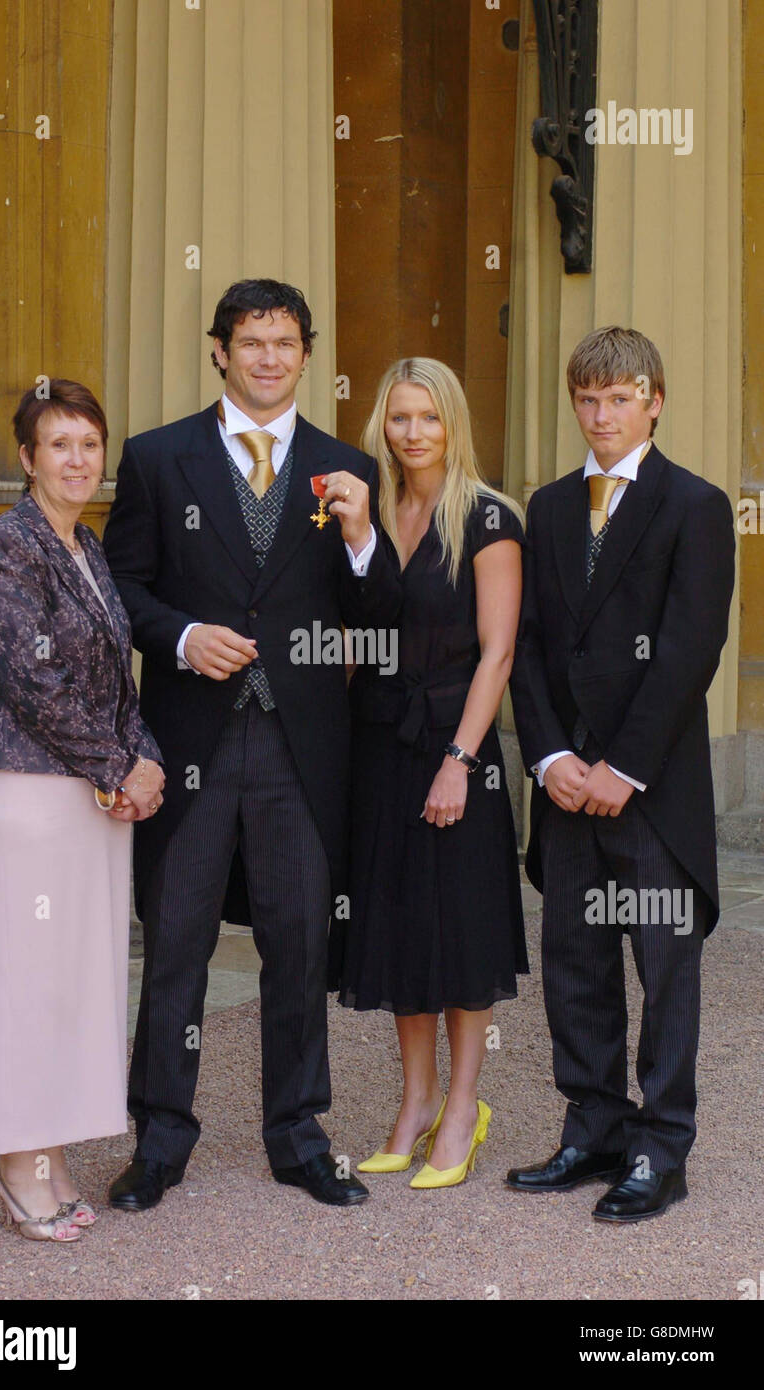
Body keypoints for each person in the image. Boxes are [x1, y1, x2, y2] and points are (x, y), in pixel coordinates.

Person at [102, 278, 401, 1211]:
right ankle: (159, 1140)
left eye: (284, 343)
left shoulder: (345, 463)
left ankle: (298, 1136)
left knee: (299, 947)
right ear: (220, 351)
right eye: (250, 341)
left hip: (300, 753)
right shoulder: (159, 459)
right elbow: (121, 593)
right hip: (189, 740)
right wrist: (185, 639)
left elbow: (376, 613)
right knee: (177, 943)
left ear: (306, 353)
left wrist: (360, 539)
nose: (267, 358)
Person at [507, 326, 736, 1222]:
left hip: (651, 792)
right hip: (565, 789)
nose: (600, 415)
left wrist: (623, 767)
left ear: (655, 399)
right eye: (587, 400)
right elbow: (527, 647)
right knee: (574, 962)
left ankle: (660, 1146)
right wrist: (553, 756)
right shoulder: (551, 506)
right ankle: (592, 1129)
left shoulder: (694, 504)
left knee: (662, 969)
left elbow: (689, 649)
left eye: (618, 398)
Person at [0, 380, 164, 1242]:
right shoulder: (7, 548)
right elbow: (31, 684)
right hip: (25, 797)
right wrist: (121, 763)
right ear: (29, 458)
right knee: (23, 983)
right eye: (60, 445)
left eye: (89, 444)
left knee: (74, 980)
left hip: (86, 797)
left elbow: (113, 675)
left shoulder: (86, 545)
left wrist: (140, 758)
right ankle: (18, 1169)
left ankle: (51, 1154)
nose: (78, 460)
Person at [337, 357, 528, 1188]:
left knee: (461, 930)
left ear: (453, 424)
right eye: (398, 418)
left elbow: (499, 653)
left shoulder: (488, 518)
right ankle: (413, 1103)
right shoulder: (370, 510)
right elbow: (352, 630)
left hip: (457, 750)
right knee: (400, 924)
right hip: (381, 744)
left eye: (428, 418)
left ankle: (462, 1108)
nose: (412, 434)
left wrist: (459, 760)